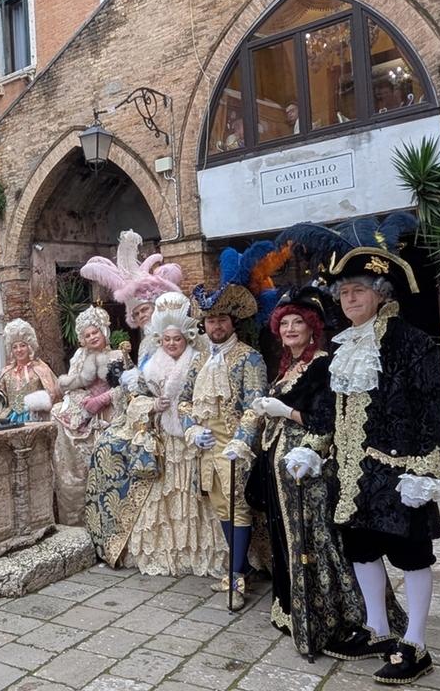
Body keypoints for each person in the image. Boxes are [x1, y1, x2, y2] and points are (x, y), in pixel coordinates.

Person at [281, 214, 440, 684]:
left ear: (380, 292)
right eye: (343, 293)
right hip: (352, 473)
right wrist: (314, 447)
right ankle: (377, 627)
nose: (349, 299)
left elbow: (433, 409)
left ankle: (415, 642)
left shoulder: (411, 342)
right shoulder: (342, 347)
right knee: (362, 550)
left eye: (358, 290)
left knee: (412, 555)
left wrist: (428, 471)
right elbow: (330, 410)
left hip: (399, 472)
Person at [248, 287, 406, 657]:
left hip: (308, 470)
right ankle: (293, 611)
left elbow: (326, 419)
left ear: (312, 328)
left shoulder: (322, 365)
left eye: (297, 322)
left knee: (316, 544)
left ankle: (339, 620)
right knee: (287, 541)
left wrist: (285, 412)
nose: (290, 329)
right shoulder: (287, 367)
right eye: (284, 323)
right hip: (281, 471)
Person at [85, 292, 224, 576]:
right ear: (161, 339)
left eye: (177, 339)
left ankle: (198, 550)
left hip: (191, 438)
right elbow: (135, 399)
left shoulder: (200, 361)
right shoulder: (151, 365)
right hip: (162, 440)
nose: (171, 344)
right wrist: (151, 406)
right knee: (163, 493)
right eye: (167, 339)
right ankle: (168, 549)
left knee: (195, 495)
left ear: (186, 338)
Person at [182, 247, 269, 611]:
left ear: (232, 322)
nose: (215, 326)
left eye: (221, 320)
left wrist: (241, 441)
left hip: (234, 445)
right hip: (205, 445)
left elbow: (256, 404)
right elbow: (184, 400)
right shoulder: (200, 359)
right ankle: (240, 566)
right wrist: (190, 428)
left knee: (240, 508)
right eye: (210, 321)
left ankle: (235, 577)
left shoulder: (250, 357)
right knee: (221, 507)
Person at [50, 306, 124, 526]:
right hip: (84, 414)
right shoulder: (80, 357)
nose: (92, 337)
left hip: (110, 413)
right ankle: (78, 520)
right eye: (88, 334)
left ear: (104, 331)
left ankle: (112, 522)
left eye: (95, 332)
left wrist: (104, 398)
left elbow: (127, 387)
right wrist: (84, 403)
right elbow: (72, 386)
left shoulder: (117, 356)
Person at [79, 229, 183, 369]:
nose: (141, 316)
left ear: (155, 308)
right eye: (136, 314)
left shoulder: (174, 336)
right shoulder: (145, 344)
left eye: (144, 310)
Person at [0, 318, 59, 423]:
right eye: (15, 347)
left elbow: (53, 395)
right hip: (11, 419)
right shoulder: (6, 373)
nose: (19, 350)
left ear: (29, 347)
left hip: (36, 419)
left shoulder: (41, 369)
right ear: (11, 350)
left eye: (22, 346)